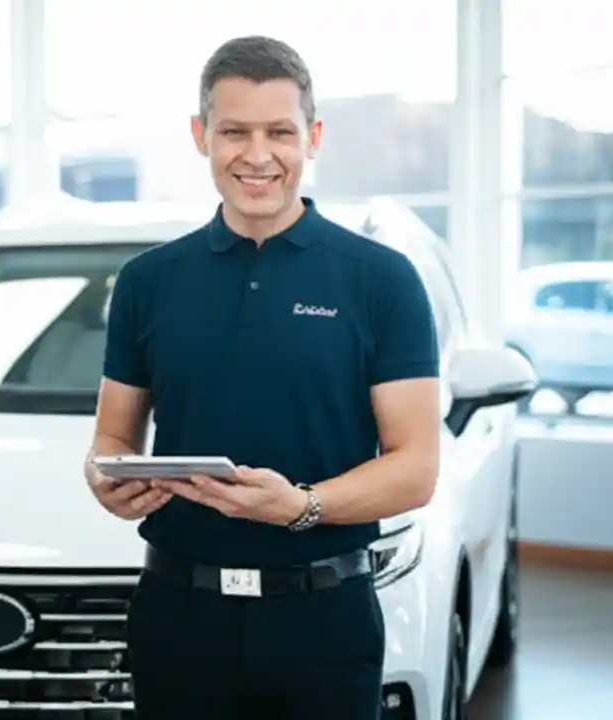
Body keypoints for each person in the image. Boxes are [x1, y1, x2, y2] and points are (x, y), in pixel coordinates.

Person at [83, 35, 441, 719]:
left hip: (324, 622)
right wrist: (109, 480)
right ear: (200, 136)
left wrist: (299, 506)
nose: (257, 155)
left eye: (279, 132)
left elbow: (415, 469)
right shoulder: (147, 282)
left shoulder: (380, 279)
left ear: (313, 136)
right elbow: (113, 436)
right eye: (234, 132)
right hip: (178, 618)